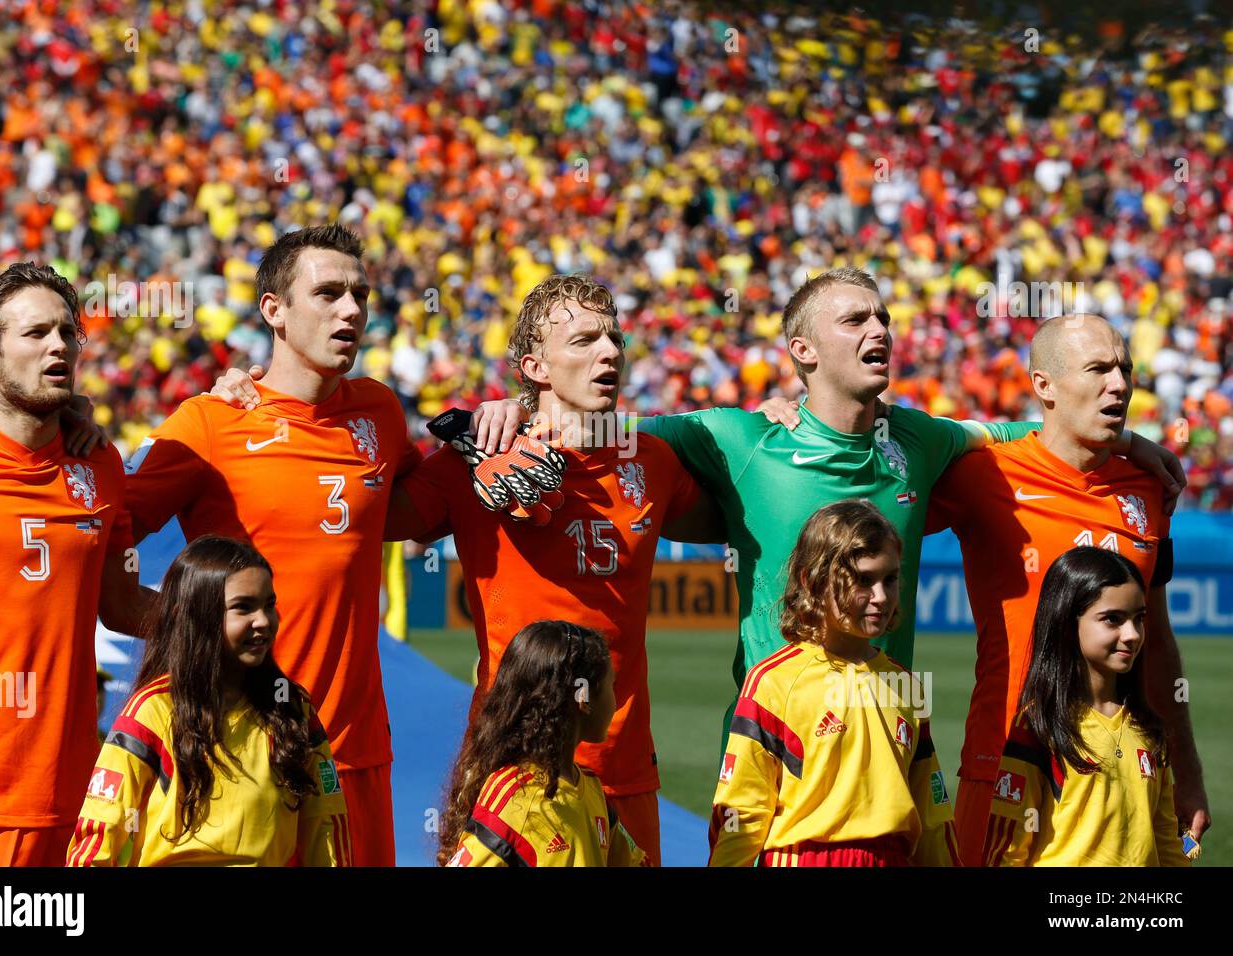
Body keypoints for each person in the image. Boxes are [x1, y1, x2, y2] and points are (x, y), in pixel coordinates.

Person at [473, 268, 1184, 751]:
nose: (879, 329)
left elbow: (1020, 433)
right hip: (772, 748)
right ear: (803, 350)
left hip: (889, 748)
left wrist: (1128, 438)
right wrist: (513, 409)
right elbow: (605, 430)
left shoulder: (921, 438)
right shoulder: (739, 438)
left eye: (882, 317)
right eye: (855, 321)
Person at [388, 274, 723, 865]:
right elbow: (365, 507)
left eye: (616, 338)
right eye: (585, 340)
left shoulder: (651, 459)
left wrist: (781, 415)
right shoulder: (477, 459)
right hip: (509, 768)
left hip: (624, 766)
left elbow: (738, 509)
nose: (610, 352)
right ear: (535, 366)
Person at [115, 225, 418, 866]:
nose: (352, 310)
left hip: (354, 751)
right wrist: (187, 630)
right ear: (274, 311)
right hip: (241, 758)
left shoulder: (381, 414)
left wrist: (502, 418)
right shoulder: (211, 422)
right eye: (329, 293)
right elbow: (102, 532)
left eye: (360, 294)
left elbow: (432, 501)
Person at [926, 314, 1208, 865]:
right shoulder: (984, 476)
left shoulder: (1147, 489)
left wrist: (1187, 767)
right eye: (1099, 369)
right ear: (1044, 386)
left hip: (1122, 769)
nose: (1120, 384)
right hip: (1006, 762)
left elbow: (1159, 644)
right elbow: (888, 466)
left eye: (1125, 368)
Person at [0, 263, 150, 867]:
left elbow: (125, 606)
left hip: (80, 800)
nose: (59, 345)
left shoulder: (100, 463)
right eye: (34, 333)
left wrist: (227, 615)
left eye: (67, 333)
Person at [67, 535, 349, 866]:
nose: (264, 621)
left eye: (269, 604)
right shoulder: (152, 710)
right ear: (200, 617)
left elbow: (327, 832)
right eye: (243, 607)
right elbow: (96, 838)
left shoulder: (292, 709)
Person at [708, 500, 958, 867]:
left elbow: (933, 815)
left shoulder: (904, 684)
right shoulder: (774, 683)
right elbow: (741, 814)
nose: (882, 597)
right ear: (813, 580)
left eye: (890, 579)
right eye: (863, 580)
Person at [982, 547, 1190, 867]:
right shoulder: (1040, 725)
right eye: (1113, 620)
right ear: (1068, 622)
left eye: (1139, 618)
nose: (1132, 634)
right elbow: (1007, 849)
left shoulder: (1149, 727)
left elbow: (1167, 840)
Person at [437, 620, 647, 868]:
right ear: (583, 699)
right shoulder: (515, 798)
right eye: (612, 685)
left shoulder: (591, 791)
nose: (616, 700)